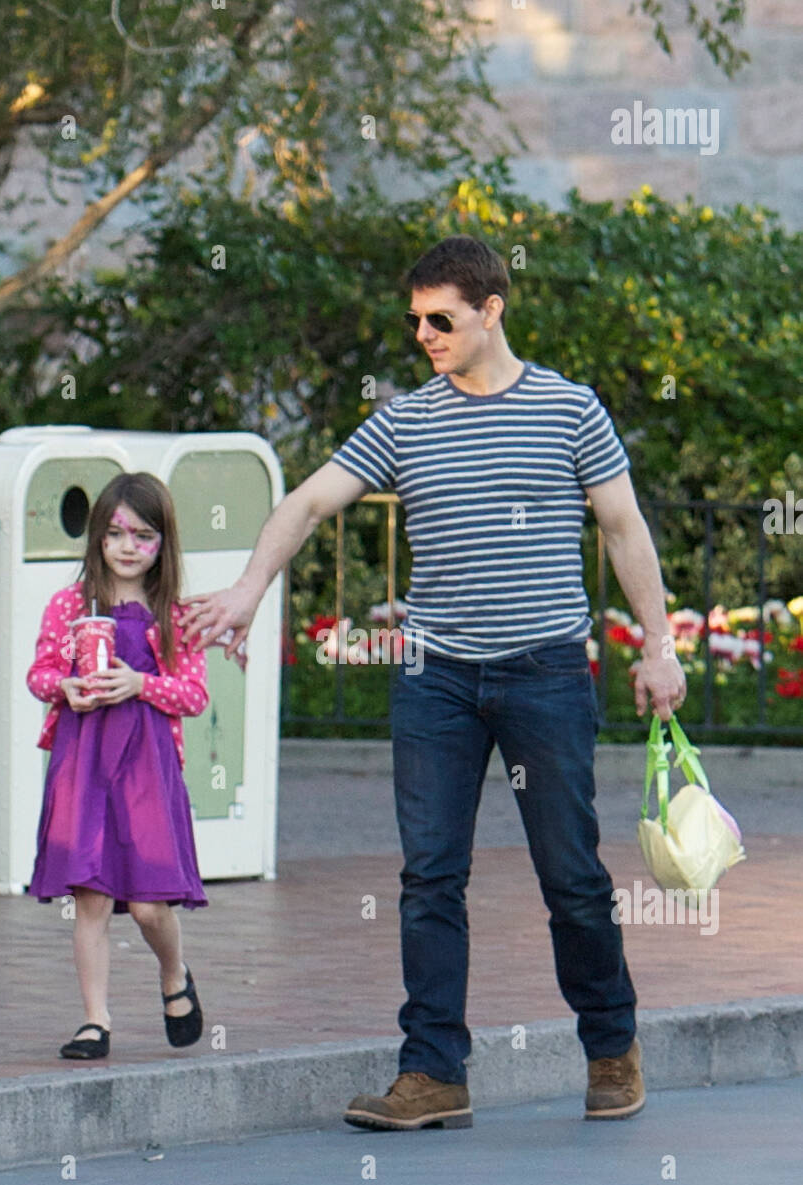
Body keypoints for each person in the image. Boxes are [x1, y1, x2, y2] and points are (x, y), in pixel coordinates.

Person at [179, 235, 687, 1129]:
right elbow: (306, 503)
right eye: (414, 320)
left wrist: (658, 645)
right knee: (429, 878)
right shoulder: (406, 422)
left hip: (547, 673)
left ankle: (612, 1046)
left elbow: (623, 527)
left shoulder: (570, 411)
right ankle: (433, 1072)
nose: (424, 333)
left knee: (569, 874)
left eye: (441, 317)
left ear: (493, 310)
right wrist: (251, 588)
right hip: (436, 681)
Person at [26, 472, 209, 1061]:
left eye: (144, 535)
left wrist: (141, 683)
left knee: (152, 903)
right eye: (116, 533)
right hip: (83, 766)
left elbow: (194, 695)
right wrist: (68, 687)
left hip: (146, 769)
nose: (129, 546)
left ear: (163, 544)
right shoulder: (69, 606)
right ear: (97, 539)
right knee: (91, 895)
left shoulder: (173, 614)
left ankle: (174, 974)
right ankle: (94, 1021)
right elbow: (40, 674)